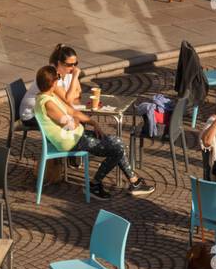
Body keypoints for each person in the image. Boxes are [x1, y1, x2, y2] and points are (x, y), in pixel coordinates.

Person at [32, 65, 155, 200]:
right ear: (53, 83)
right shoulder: (47, 103)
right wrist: (75, 121)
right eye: (58, 78)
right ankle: (95, 184)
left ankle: (134, 182)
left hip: (76, 136)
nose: (60, 81)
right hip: (70, 141)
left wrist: (92, 122)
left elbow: (72, 112)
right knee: (117, 147)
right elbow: (70, 123)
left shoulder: (49, 96)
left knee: (117, 143)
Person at [20, 44, 82, 123]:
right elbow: (68, 99)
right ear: (59, 63)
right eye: (70, 64)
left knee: (77, 116)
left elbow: (79, 91)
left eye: (75, 64)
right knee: (72, 119)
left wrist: (71, 94)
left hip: (45, 109)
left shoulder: (67, 71)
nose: (73, 68)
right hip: (32, 114)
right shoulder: (52, 75)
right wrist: (75, 77)